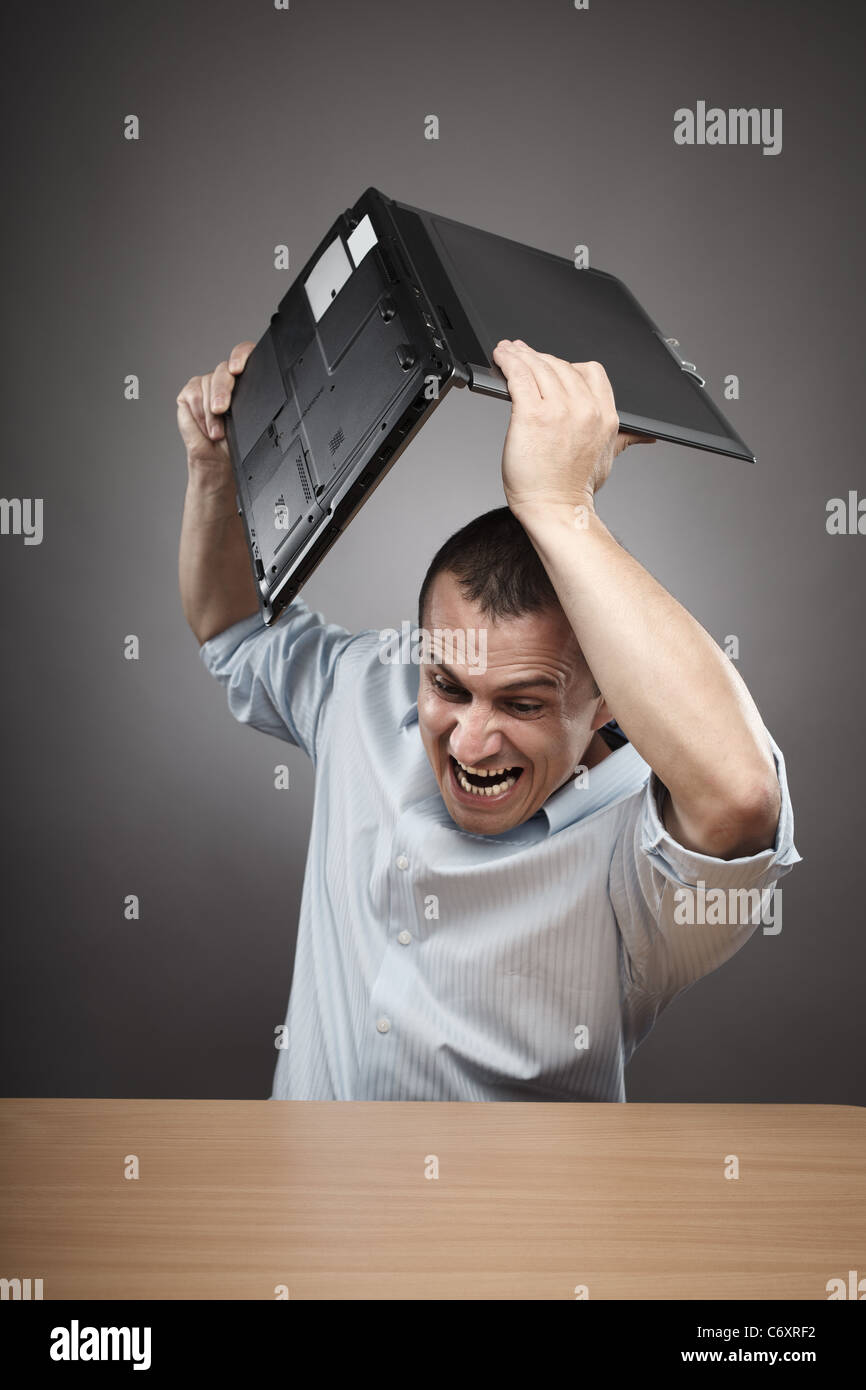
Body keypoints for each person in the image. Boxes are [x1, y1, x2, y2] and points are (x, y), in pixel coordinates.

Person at [177, 338, 800, 1101]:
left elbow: (741, 798)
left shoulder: (640, 853)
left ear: (607, 703)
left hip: (520, 1223)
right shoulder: (364, 689)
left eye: (524, 703)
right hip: (307, 1210)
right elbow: (233, 626)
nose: (472, 741)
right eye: (448, 685)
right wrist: (216, 473)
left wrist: (559, 508)